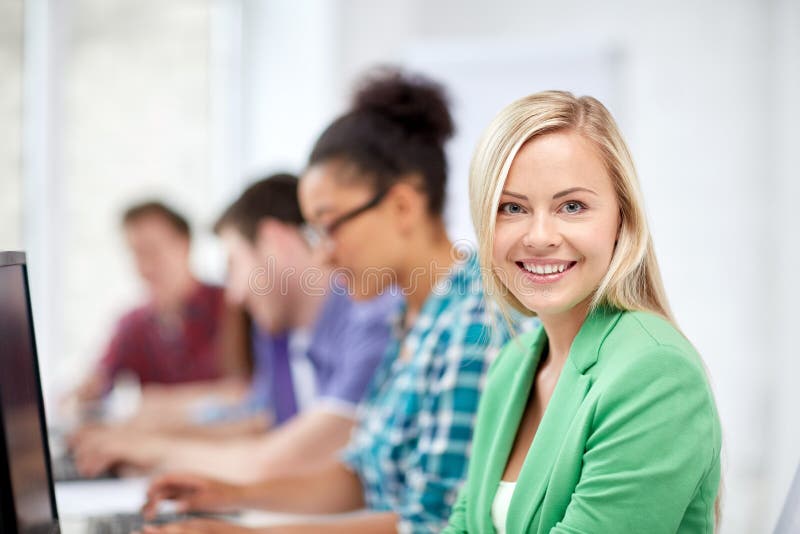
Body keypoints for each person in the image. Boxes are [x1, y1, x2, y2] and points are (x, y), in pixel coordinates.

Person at [141, 69, 526, 533]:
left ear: (402, 206)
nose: (323, 255)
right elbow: (362, 475)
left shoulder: (474, 324)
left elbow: (435, 524)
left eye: (330, 225)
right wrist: (230, 495)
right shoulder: (409, 317)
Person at [443, 91, 722, 533]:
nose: (539, 236)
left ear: (622, 219)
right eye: (511, 208)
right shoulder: (514, 364)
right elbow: (462, 524)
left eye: (571, 206)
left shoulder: (656, 373)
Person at [71, 175, 398, 483]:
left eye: (234, 264)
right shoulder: (280, 333)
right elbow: (261, 422)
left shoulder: (370, 318)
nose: (235, 293)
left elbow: (292, 455)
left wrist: (155, 447)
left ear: (274, 242)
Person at [72, 201, 235, 404]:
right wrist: (84, 392)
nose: (145, 266)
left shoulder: (232, 306)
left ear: (185, 245)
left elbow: (249, 393)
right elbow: (97, 382)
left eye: (152, 250)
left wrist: (165, 403)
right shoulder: (132, 325)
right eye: (136, 253)